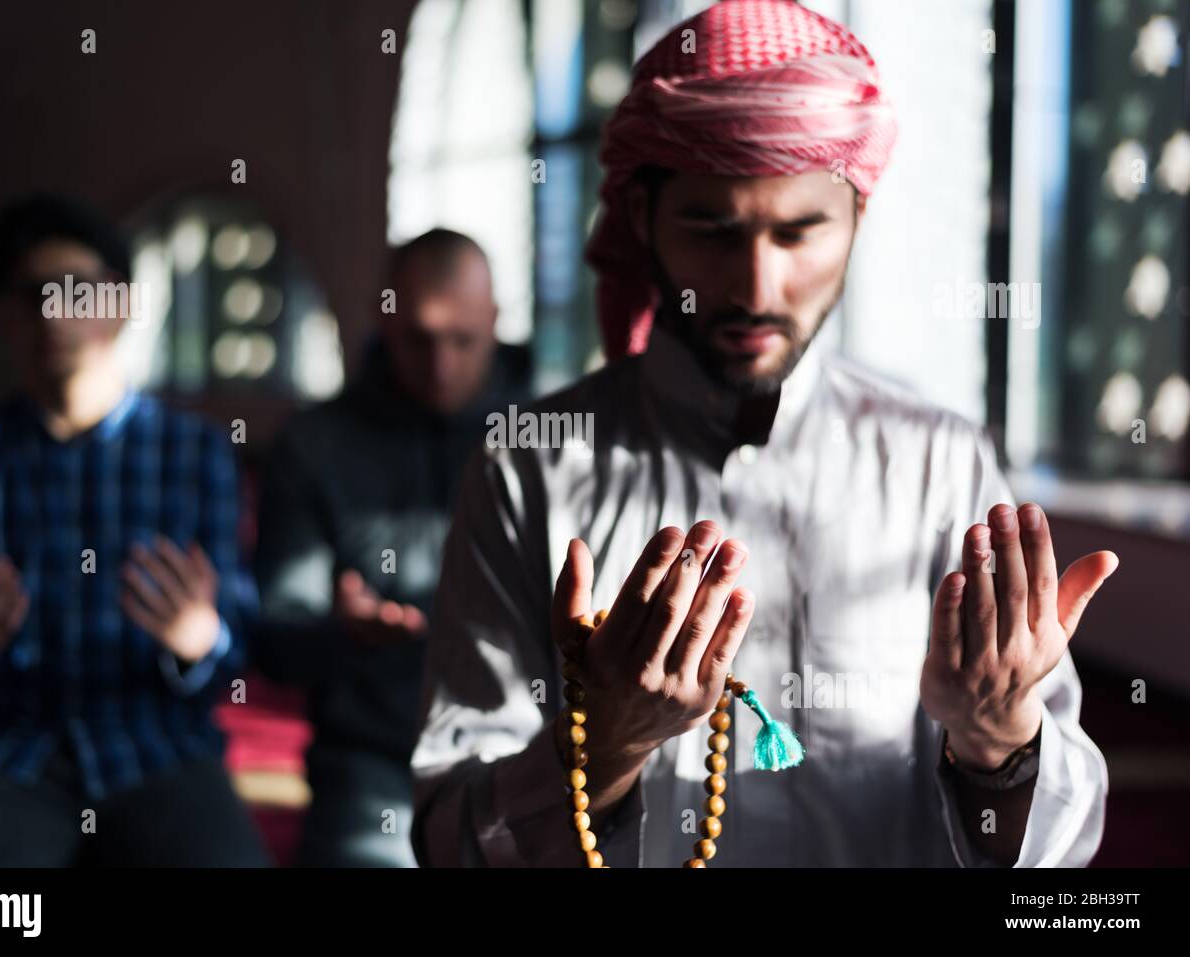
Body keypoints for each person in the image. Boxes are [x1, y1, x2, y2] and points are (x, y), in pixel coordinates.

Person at [411, 0, 1116, 868]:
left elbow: (1058, 861)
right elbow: (446, 836)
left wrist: (1000, 740)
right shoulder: (531, 462)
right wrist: (604, 751)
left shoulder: (941, 461)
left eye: (799, 230)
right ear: (641, 218)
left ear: (858, 216)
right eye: (713, 229)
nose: (756, 284)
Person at [0, 193, 268, 866]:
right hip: (14, 752)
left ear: (122, 304)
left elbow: (236, 645)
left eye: (80, 291)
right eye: (35, 293)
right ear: (6, 315)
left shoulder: (195, 453)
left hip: (159, 745)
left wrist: (198, 640)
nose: (56, 312)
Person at [255, 228, 531, 866]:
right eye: (419, 340)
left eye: (462, 340)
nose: (442, 366)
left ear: (495, 321)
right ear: (386, 320)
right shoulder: (315, 443)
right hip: (373, 761)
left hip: (528, 752)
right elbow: (273, 636)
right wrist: (340, 634)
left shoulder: (555, 433)